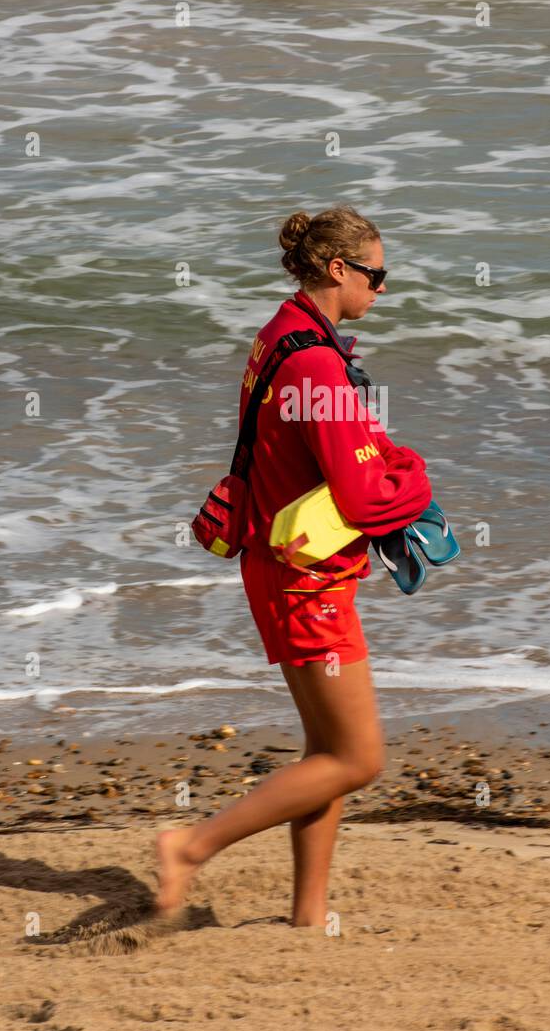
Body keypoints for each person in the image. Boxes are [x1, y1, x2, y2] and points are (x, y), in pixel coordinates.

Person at [157, 205, 432, 926]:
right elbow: (366, 496)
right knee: (359, 759)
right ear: (338, 270)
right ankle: (189, 846)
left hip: (280, 567)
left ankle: (307, 916)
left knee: (325, 751)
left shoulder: (281, 334)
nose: (381, 290)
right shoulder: (315, 361)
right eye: (378, 276)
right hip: (305, 582)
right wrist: (417, 477)